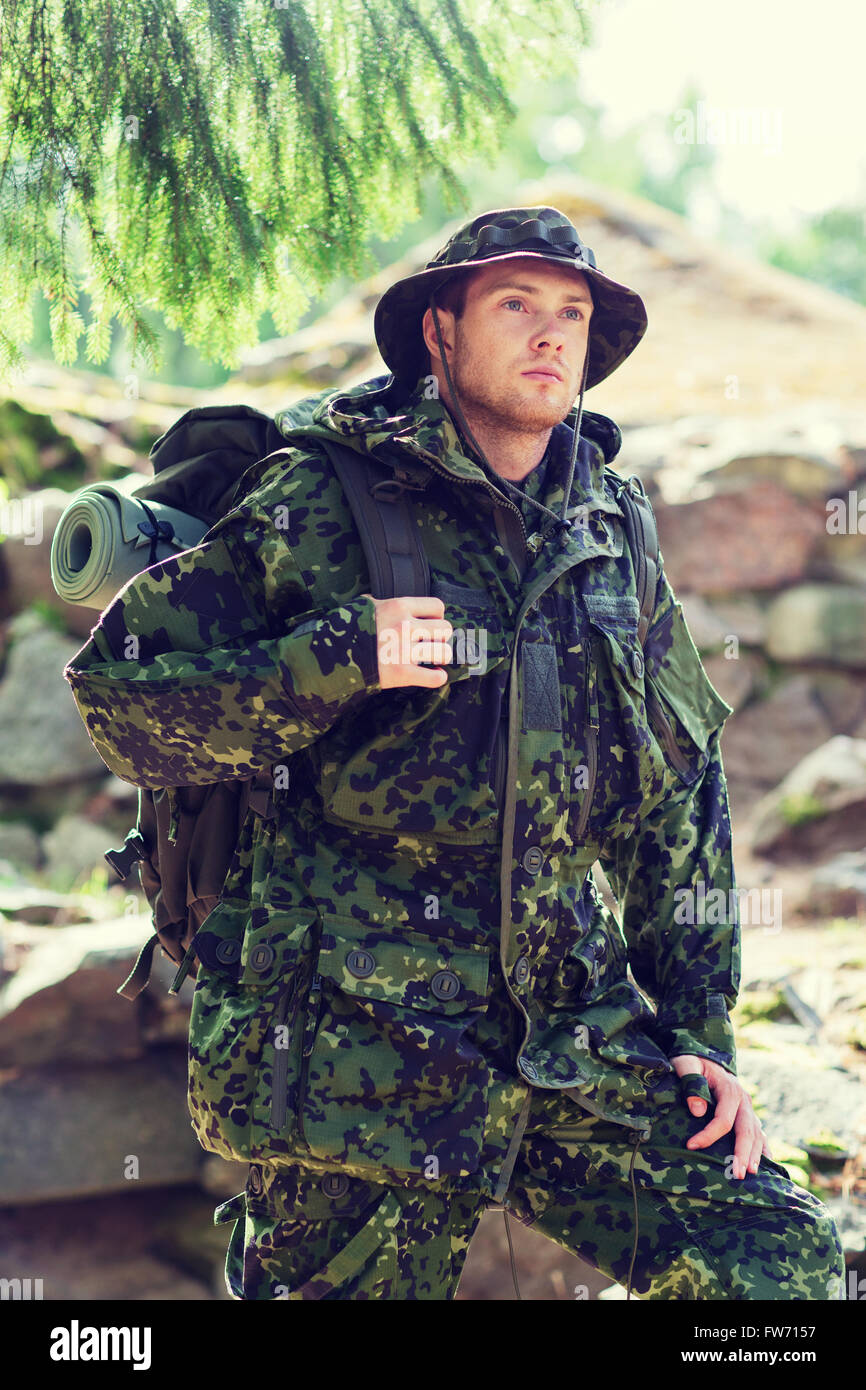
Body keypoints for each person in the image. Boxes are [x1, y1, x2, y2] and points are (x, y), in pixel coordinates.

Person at [64, 205, 845, 1300]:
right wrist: (330, 658)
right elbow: (123, 704)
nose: (549, 333)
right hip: (356, 1057)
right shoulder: (318, 499)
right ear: (439, 329)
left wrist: (698, 1028)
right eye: (515, 304)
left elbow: (678, 789)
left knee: (774, 1268)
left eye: (570, 313)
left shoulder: (609, 523)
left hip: (567, 1040)